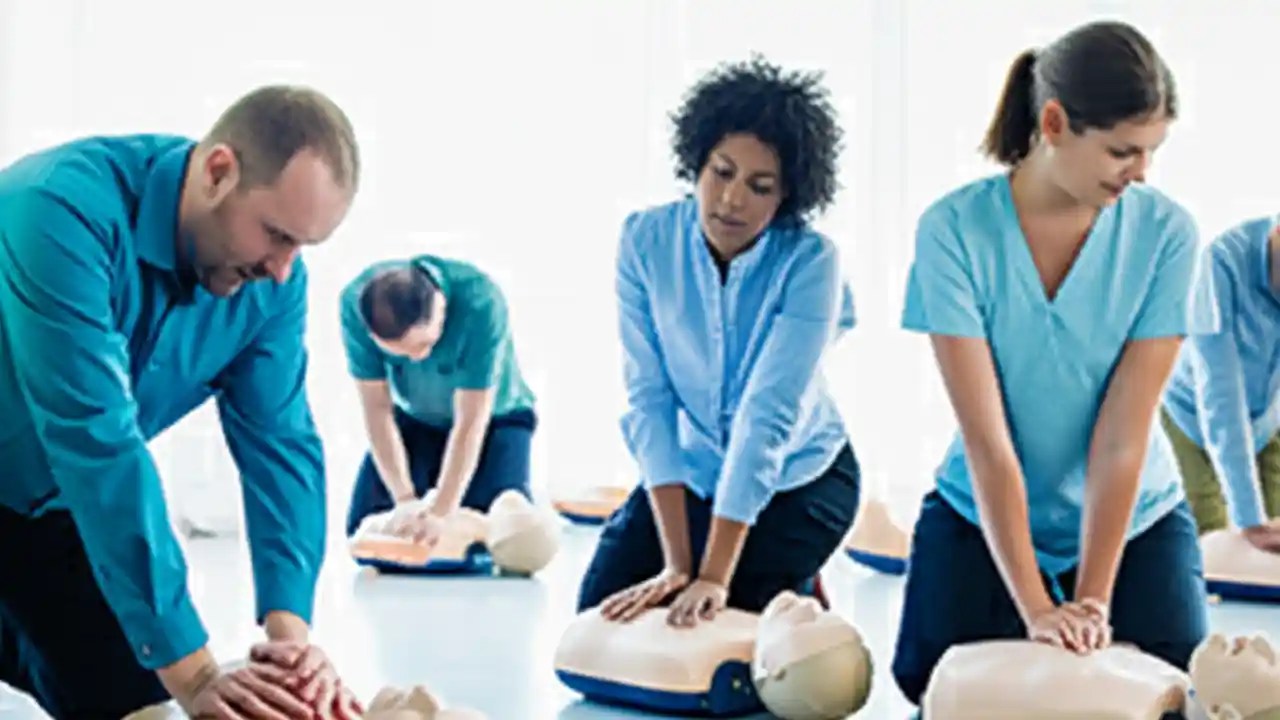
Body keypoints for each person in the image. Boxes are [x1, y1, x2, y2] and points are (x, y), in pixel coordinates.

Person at [0, 85, 362, 719]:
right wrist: (195, 674)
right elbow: (97, 441)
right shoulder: (55, 211)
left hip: (45, 509)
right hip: (71, 473)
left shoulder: (273, 284)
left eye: (302, 247)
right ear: (218, 171)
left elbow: (281, 443)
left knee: (142, 707)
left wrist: (290, 645)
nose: (283, 269)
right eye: (276, 235)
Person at [889, 20, 1217, 705]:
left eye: (1152, 151)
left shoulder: (1167, 235)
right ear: (1055, 122)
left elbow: (1123, 439)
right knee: (929, 683)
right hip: (983, 508)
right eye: (1123, 151)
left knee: (1176, 685)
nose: (1141, 173)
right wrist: (1039, 609)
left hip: (1135, 513)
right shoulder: (952, 230)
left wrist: (1091, 607)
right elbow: (988, 443)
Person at [574, 55, 861, 627]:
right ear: (696, 164)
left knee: (726, 625)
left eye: (760, 186)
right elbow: (649, 398)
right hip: (699, 470)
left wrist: (713, 576)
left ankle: (794, 578)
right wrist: (677, 565)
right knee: (597, 620)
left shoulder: (811, 262)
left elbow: (767, 415)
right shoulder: (645, 240)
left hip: (799, 479)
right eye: (721, 172)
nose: (731, 201)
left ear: (788, 196)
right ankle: (721, 562)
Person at [340, 255, 538, 544]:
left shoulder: (482, 302)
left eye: (424, 345)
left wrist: (441, 512)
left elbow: (471, 420)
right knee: (371, 528)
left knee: (501, 536)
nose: (418, 358)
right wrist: (404, 500)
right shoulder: (353, 305)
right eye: (401, 353)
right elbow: (377, 409)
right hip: (416, 419)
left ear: (441, 306)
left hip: (496, 420)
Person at [1162, 216, 1280, 552]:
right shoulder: (1222, 263)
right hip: (1191, 417)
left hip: (1267, 420)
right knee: (1210, 547)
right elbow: (1221, 396)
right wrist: (1249, 519)